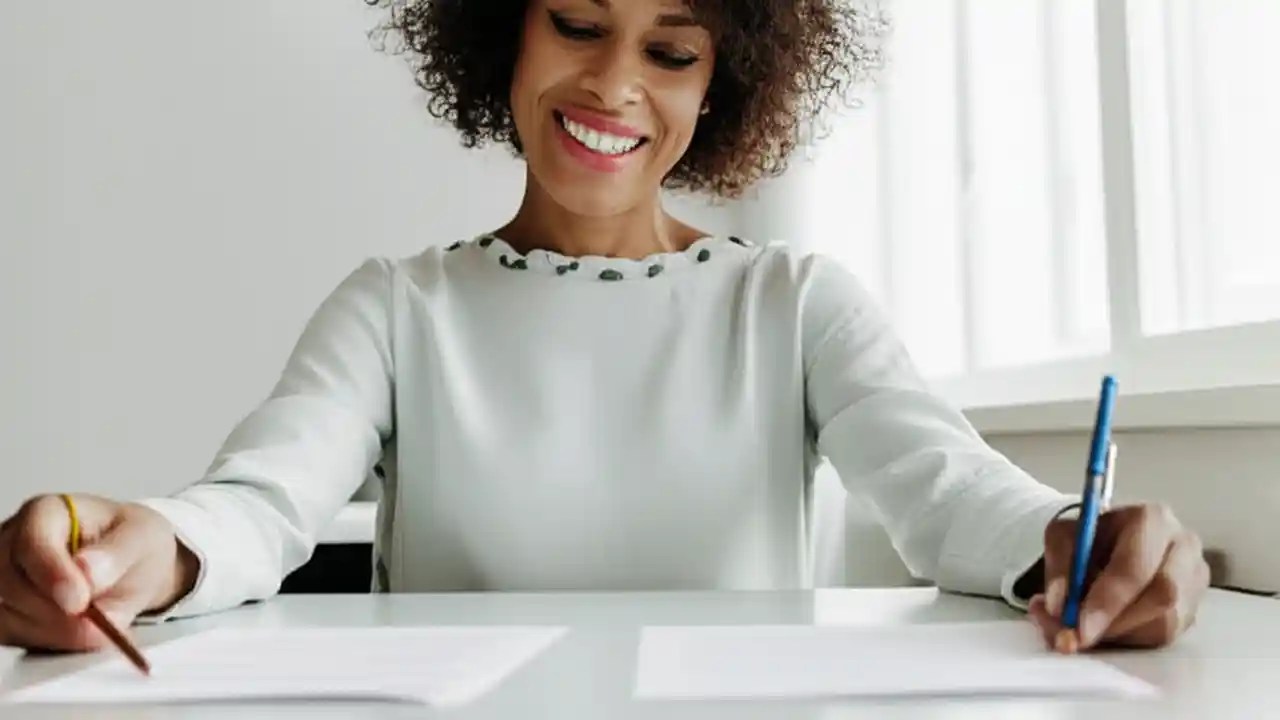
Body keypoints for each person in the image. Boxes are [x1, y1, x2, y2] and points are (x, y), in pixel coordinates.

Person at [0, 0, 1208, 656]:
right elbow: (260, 501)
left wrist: (1072, 535)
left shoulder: (790, 300)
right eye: (577, 25)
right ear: (503, 35)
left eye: (669, 51)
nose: (614, 86)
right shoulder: (397, 303)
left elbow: (942, 488)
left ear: (716, 86)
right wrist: (135, 550)